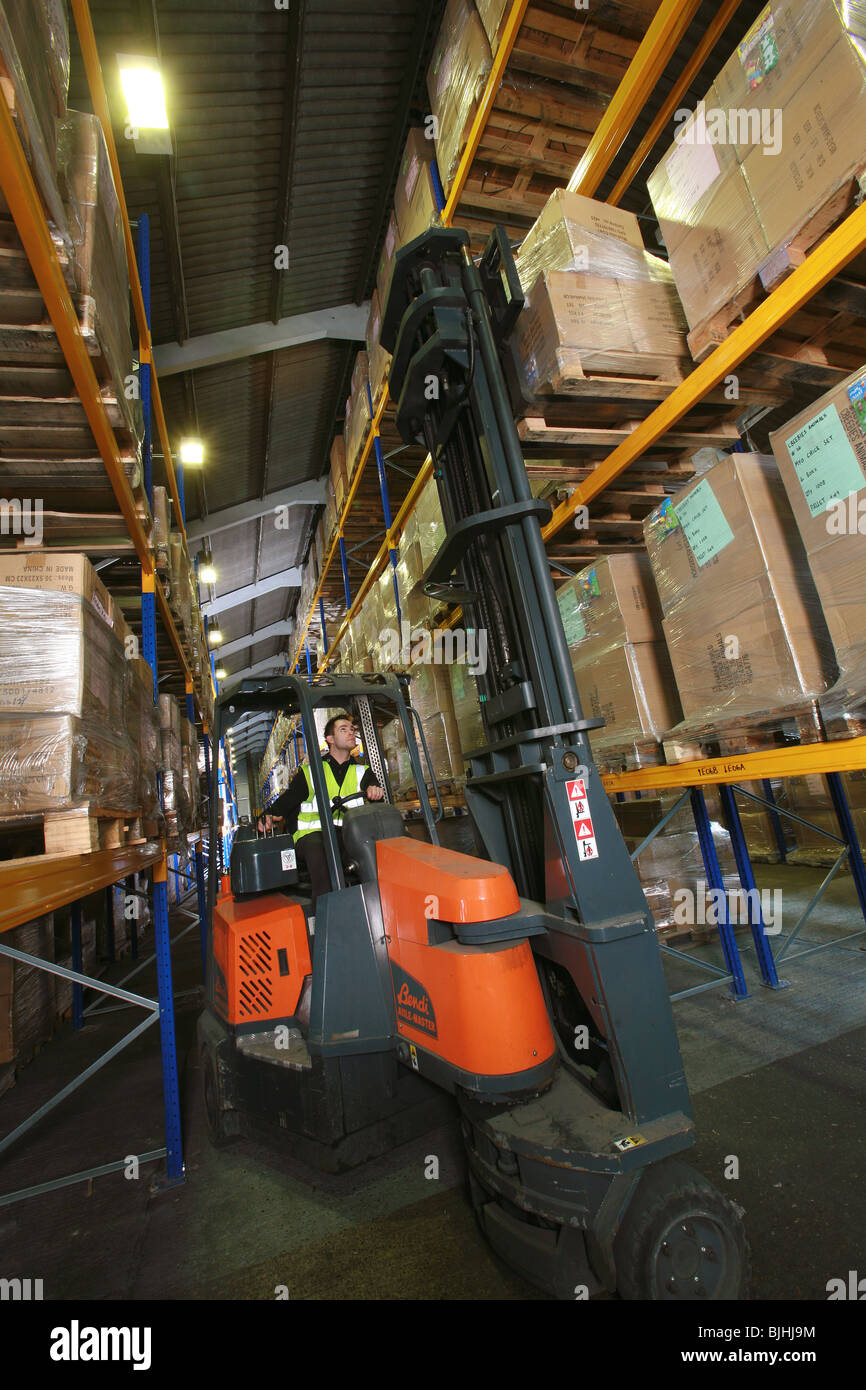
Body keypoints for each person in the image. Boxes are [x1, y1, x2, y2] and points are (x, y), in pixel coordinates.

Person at [258, 713, 383, 907]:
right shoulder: (310, 772)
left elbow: (374, 788)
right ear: (330, 739)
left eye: (352, 729)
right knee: (322, 854)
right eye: (344, 729)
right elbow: (286, 802)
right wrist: (267, 815)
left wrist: (375, 791)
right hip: (312, 835)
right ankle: (324, 916)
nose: (351, 732)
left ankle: (374, 908)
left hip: (347, 835)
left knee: (376, 855)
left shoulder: (362, 771)